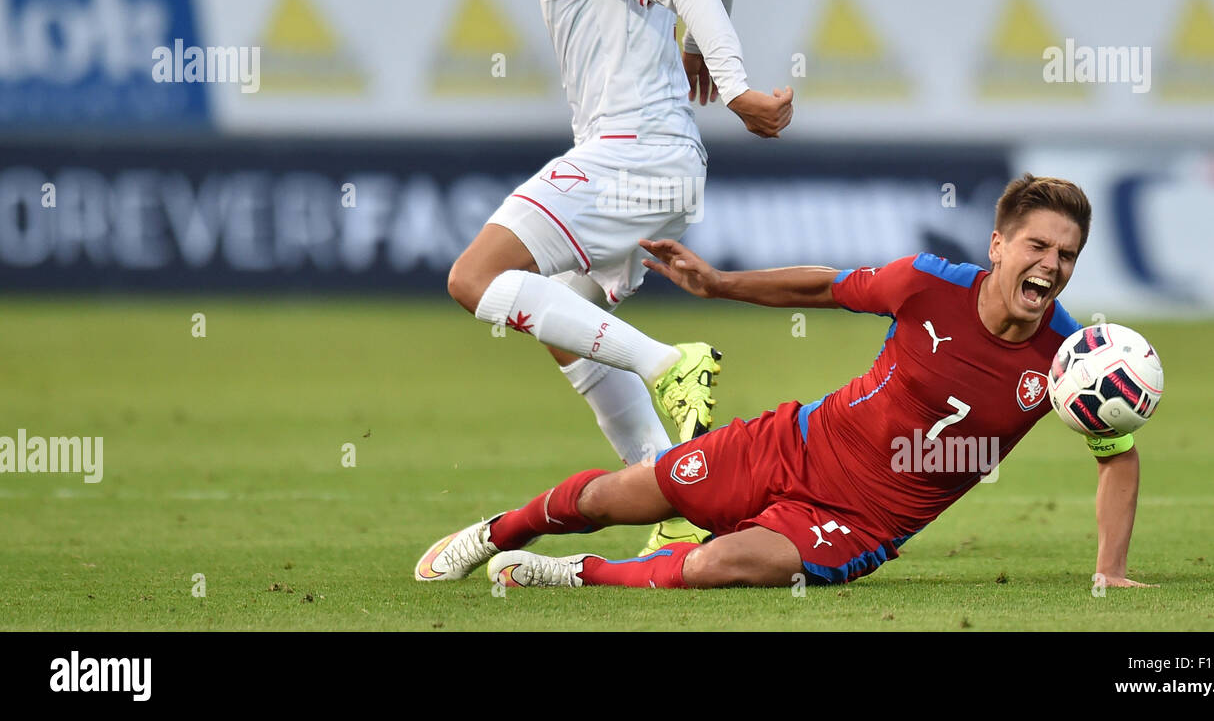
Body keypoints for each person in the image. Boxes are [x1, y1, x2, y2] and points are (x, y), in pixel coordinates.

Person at [417, 175, 1155, 590]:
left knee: (719, 563)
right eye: (1038, 246)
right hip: (796, 443)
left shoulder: (1073, 363)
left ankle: (576, 574)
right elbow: (823, 288)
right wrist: (716, 282)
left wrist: (1109, 572)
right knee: (621, 493)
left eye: (1068, 255)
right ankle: (490, 534)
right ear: (999, 245)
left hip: (864, 522)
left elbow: (1117, 454)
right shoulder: (927, 286)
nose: (1052, 266)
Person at [422, 0, 794, 572]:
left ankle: (670, 363)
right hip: (664, 172)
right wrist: (692, 43)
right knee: (564, 330)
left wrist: (734, 90)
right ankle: (681, 508)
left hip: (632, 153)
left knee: (474, 279)